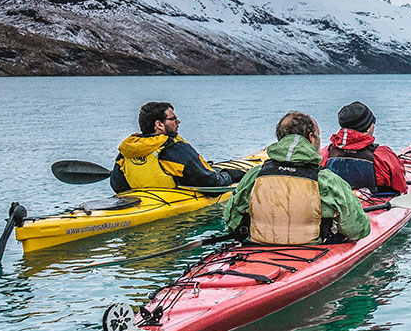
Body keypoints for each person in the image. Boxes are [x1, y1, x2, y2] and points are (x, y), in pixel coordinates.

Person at [223, 111, 370, 244]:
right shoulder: (326, 179)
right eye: (318, 136)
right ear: (311, 138)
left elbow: (232, 223)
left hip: (256, 247)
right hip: (311, 252)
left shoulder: (254, 175)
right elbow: (358, 229)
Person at [110, 101, 243, 193]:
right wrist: (229, 175)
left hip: (142, 200)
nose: (178, 122)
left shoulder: (128, 150)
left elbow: (117, 185)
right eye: (173, 119)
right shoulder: (173, 149)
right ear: (159, 125)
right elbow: (211, 184)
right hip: (173, 201)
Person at [320, 101, 409, 194]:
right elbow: (401, 187)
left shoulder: (326, 153)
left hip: (338, 203)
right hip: (377, 204)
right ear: (368, 127)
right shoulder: (382, 155)